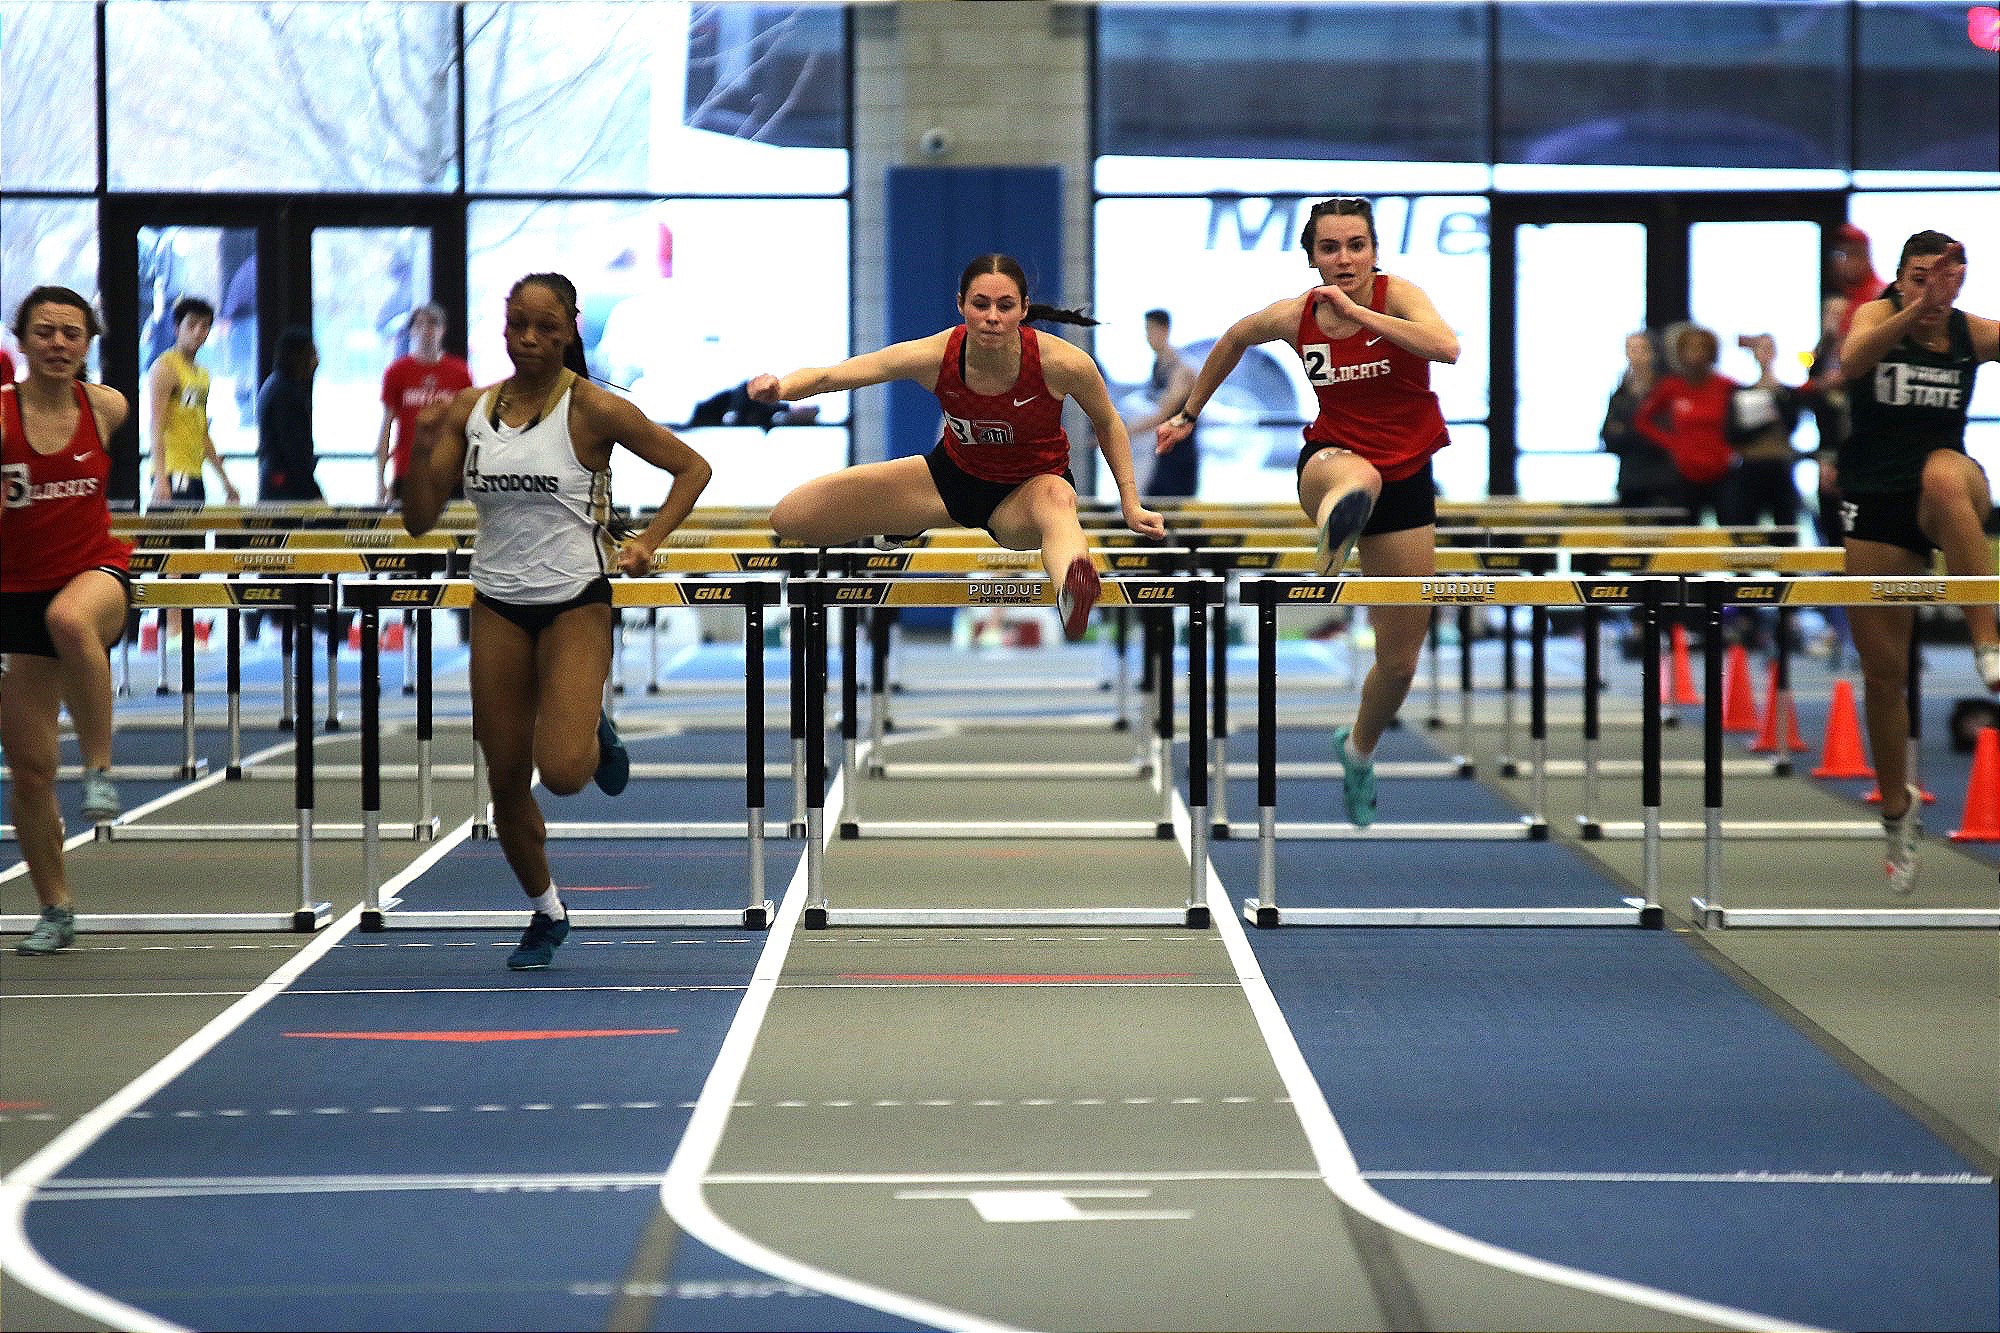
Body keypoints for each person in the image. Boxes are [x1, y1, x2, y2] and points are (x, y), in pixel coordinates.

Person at [402, 272, 712, 970]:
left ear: (570, 329)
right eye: (520, 326)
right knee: (505, 777)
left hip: (576, 599)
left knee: (565, 772)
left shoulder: (595, 407)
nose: (532, 339)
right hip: (498, 604)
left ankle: (587, 727)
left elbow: (693, 468)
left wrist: (648, 542)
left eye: (547, 326)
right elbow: (420, 520)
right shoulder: (467, 411)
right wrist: (420, 446)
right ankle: (546, 911)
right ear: (503, 330)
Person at [1157, 195, 1460, 827]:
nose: (1344, 258)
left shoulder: (1398, 296)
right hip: (1331, 461)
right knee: (1358, 478)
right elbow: (1236, 336)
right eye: (1330, 248)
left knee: (1400, 659)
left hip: (1409, 479)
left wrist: (1360, 314)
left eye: (1356, 245)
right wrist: (1189, 413)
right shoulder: (1298, 316)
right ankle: (1333, 536)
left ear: (1375, 252)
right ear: (1312, 258)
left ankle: (1357, 749)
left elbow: (1445, 347)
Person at [745, 253, 1166, 641]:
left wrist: (1130, 502)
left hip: (1025, 493)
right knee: (791, 518)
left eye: (1004, 306)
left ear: (1023, 309)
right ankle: (910, 520)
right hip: (947, 479)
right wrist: (780, 388)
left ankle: (1074, 589)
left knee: (1058, 499)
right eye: (980, 305)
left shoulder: (1063, 363)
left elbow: (1109, 422)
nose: (992, 318)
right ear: (961, 304)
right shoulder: (934, 355)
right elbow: (834, 376)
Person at [1835, 231, 2000, 895]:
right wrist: (1913, 307)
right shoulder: (1878, 315)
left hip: (1951, 490)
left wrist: (1946, 306)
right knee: (1883, 675)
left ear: (1960, 280)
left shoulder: (1973, 334)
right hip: (1877, 503)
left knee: (1942, 474)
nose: (1932, 287)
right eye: (1919, 275)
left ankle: (1985, 638)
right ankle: (1897, 813)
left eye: (1944, 277)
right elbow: (1852, 362)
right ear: (1901, 278)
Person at [0, 287, 135, 956]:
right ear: (21, 340)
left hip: (94, 572)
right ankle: (56, 906)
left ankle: (102, 767)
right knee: (28, 771)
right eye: (45, 332)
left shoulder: (105, 406)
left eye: (72, 333)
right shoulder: (0, 418)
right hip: (16, 592)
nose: (58, 343)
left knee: (71, 620)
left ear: (88, 343)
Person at [1633, 324, 1738, 524]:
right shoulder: (1671, 387)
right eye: (1690, 348)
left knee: (1730, 530)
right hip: (1685, 474)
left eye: (1702, 348)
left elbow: (1741, 424)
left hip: (1722, 472)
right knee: (1685, 535)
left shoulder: (1726, 386)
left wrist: (1731, 449)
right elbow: (1642, 420)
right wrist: (1673, 443)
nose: (1696, 354)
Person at [146, 296, 240, 509]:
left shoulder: (202, 375)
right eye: (192, 324)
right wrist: (160, 479)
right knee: (175, 541)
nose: (198, 331)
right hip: (173, 470)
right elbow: (156, 425)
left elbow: (202, 433)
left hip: (194, 471)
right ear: (177, 328)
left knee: (194, 539)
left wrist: (225, 481)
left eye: (205, 326)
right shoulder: (165, 368)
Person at [375, 303, 473, 506]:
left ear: (442, 330)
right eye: (419, 325)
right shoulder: (397, 372)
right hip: (409, 471)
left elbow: (469, 428)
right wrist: (380, 482)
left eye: (432, 324)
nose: (426, 331)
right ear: (410, 332)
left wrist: (470, 479)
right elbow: (386, 429)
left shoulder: (460, 373)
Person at [1725, 333, 1805, 529]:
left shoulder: (1787, 393)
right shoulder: (1741, 392)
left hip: (1779, 463)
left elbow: (1792, 424)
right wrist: (1766, 419)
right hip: (1751, 463)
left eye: (1769, 348)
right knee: (1745, 526)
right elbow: (1733, 433)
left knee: (1786, 526)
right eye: (1761, 349)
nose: (1765, 354)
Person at [1599, 330, 1683, 512]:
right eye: (1630, 349)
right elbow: (1608, 436)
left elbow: (1668, 434)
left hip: (1663, 479)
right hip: (1631, 479)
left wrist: (1628, 430)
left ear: (1654, 353)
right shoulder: (1620, 394)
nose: (1636, 355)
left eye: (1642, 349)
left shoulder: (1666, 390)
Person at [1122, 308, 1200, 498]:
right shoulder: (1158, 365)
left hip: (1178, 458)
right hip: (1159, 454)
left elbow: (1163, 414)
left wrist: (1122, 432)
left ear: (1165, 330)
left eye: (1150, 330)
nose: (1147, 337)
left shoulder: (1182, 370)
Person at [257, 326, 323, 502]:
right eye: (312, 354)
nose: (316, 361)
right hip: (286, 487)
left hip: (277, 482)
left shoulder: (274, 385)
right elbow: (293, 449)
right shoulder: (286, 392)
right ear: (298, 356)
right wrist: (313, 491)